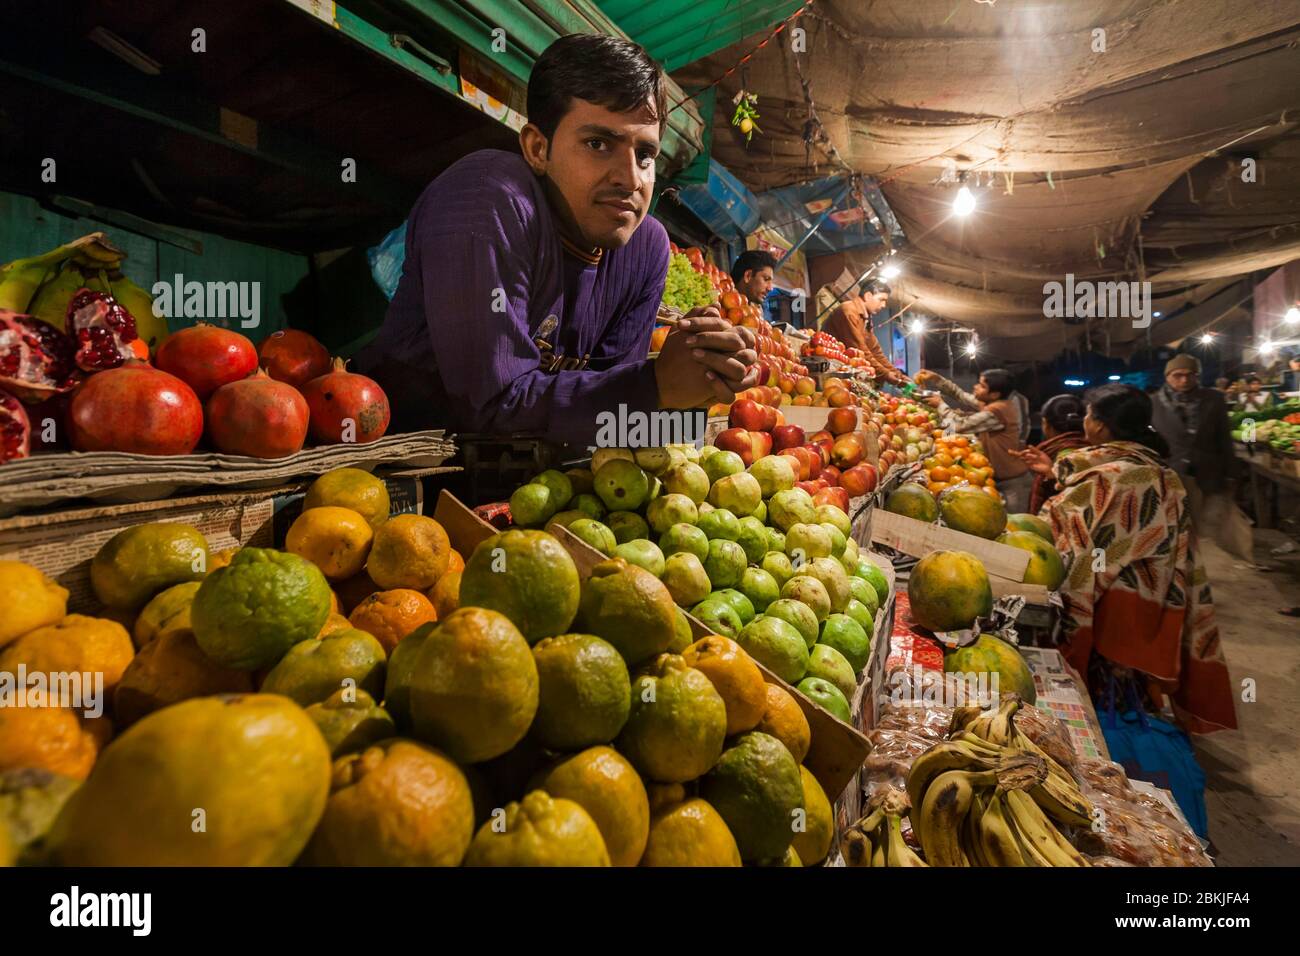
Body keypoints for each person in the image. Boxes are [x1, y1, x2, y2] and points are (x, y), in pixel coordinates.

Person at [355, 34, 758, 446]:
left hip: (534, 489)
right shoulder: (486, 197)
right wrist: (653, 386)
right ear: (537, 148)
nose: (631, 178)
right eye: (598, 144)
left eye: (645, 155)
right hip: (393, 472)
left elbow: (603, 429)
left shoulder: (644, 248)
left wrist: (696, 394)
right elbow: (490, 411)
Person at [1012, 384, 1236, 734]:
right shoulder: (1157, 468)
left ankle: (1117, 751)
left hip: (1113, 607)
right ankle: (1134, 736)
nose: (1084, 421)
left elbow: (1074, 537)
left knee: (1106, 698)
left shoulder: (1110, 477)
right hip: (1153, 598)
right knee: (1131, 694)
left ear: (1099, 425)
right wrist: (1052, 470)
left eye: (1088, 415)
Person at [1150, 354, 1251, 561]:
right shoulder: (1153, 403)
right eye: (1178, 375)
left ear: (1198, 376)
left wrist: (1233, 473)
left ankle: (1197, 563)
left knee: (1206, 525)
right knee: (1175, 526)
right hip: (1171, 473)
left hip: (1209, 471)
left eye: (1191, 375)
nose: (1184, 380)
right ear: (1167, 376)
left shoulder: (1214, 399)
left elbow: (1224, 437)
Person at [915, 367, 1031, 511]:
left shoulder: (997, 411)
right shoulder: (992, 404)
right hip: (999, 477)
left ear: (994, 394)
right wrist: (936, 379)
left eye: (982, 386)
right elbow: (960, 395)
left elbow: (958, 425)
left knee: (1013, 521)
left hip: (1013, 482)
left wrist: (940, 405)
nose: (975, 387)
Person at [821, 279, 906, 384]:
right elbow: (859, 349)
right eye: (881, 299)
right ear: (868, 296)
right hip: (828, 371)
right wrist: (886, 374)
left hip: (841, 373)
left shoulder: (865, 318)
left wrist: (896, 373)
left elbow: (875, 350)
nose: (884, 305)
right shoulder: (849, 311)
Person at [1026, 393, 1089, 513]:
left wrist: (1051, 474)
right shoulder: (1092, 448)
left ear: (1045, 424)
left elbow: (1070, 499)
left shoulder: (1064, 454)